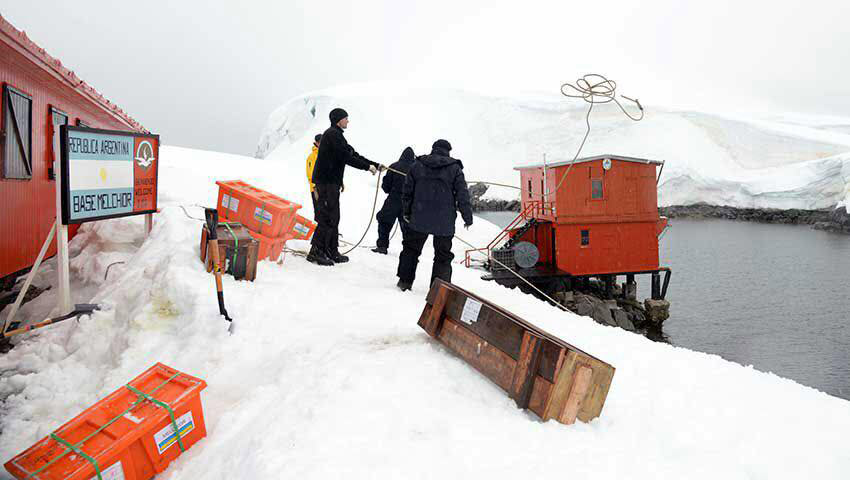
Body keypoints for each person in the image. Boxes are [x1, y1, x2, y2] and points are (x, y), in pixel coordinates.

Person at [307, 108, 382, 266]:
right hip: (326, 182)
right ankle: (316, 251)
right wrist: (366, 167)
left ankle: (331, 250)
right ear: (338, 120)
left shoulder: (337, 136)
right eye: (346, 118)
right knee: (326, 217)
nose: (348, 121)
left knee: (334, 217)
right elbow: (346, 157)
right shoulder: (332, 135)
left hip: (332, 183)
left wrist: (374, 165)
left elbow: (352, 154)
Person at [397, 139, 472, 291]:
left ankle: (404, 282)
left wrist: (407, 212)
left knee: (410, 249)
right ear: (448, 151)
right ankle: (438, 290)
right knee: (443, 256)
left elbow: (407, 192)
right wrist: (467, 217)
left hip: (419, 216)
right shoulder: (455, 168)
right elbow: (462, 195)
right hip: (444, 220)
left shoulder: (417, 165)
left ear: (433, 149)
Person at [372, 146, 416, 254]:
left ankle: (382, 246)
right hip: (408, 203)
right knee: (408, 229)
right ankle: (410, 253)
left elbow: (386, 187)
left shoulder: (394, 166)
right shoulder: (416, 170)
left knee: (384, 222)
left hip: (393, 199)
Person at [305, 134, 322, 215]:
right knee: (319, 212)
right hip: (317, 189)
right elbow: (311, 174)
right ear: (316, 143)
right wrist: (315, 189)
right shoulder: (312, 157)